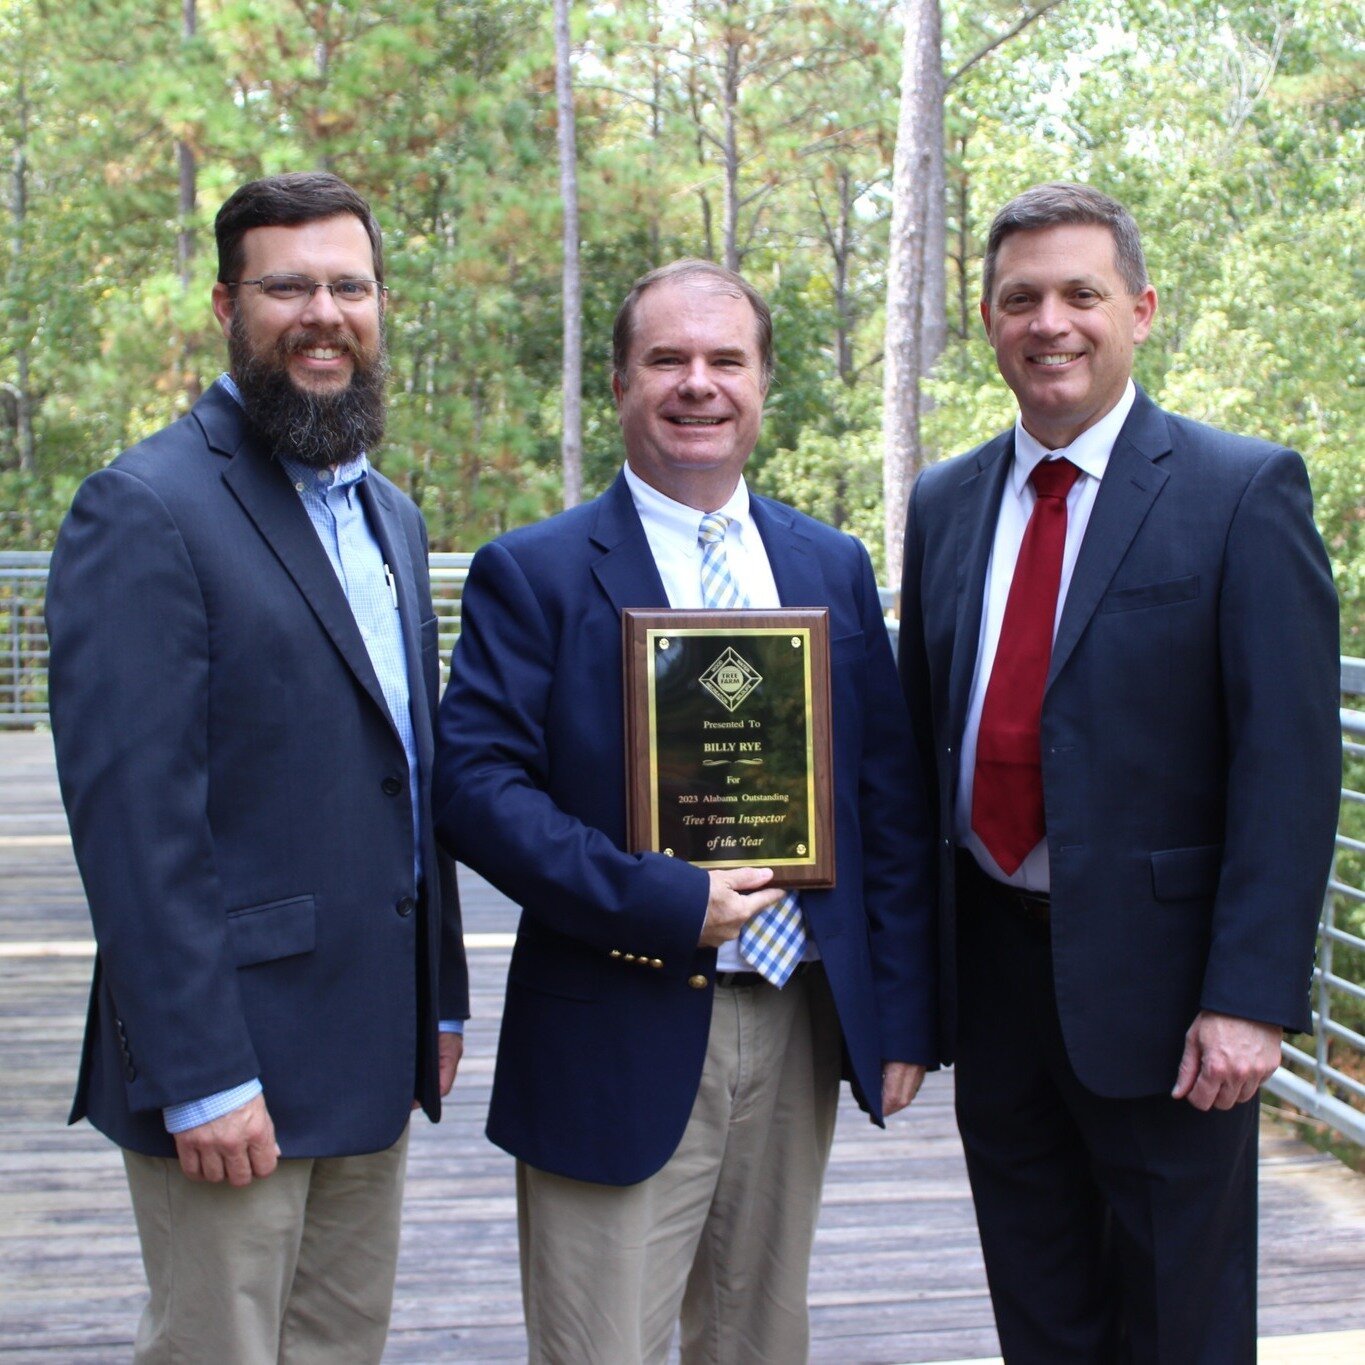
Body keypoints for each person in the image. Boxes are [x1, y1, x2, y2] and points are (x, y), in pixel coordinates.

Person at [434, 259, 936, 1364]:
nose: (696, 384)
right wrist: (659, 897)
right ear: (619, 384)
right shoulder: (538, 572)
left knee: (761, 1337)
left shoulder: (830, 565)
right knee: (598, 1343)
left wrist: (900, 1009)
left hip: (800, 1015)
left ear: (764, 385)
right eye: (667, 360)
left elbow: (883, 798)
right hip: (615, 1013)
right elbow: (474, 789)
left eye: (726, 361)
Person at [897, 181, 1340, 1361]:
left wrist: (1250, 997)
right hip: (990, 979)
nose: (1052, 322)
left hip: (1170, 1001)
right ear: (988, 322)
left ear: (1139, 310)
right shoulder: (944, 506)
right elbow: (914, 742)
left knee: (1182, 1322)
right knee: (1039, 1311)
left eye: (1080, 294)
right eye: (1021, 298)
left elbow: (1289, 767)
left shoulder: (1240, 491)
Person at [45, 172, 467, 1364]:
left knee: (341, 1347)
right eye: (288, 286)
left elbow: (406, 771)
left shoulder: (391, 515)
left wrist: (435, 990)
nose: (322, 312)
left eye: (350, 285)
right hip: (234, 1070)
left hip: (370, 1048)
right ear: (227, 305)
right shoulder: (145, 507)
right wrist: (201, 1074)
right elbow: (136, 824)